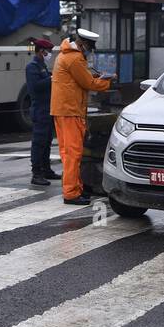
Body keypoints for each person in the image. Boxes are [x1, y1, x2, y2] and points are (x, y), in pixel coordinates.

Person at [50, 28, 114, 205]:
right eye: (89, 47)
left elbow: (79, 78)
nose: (90, 51)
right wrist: (108, 80)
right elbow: (88, 83)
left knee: (67, 153)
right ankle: (71, 193)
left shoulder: (65, 55)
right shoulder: (74, 58)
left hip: (62, 110)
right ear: (82, 44)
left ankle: (75, 188)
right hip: (70, 111)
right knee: (73, 154)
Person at [26, 37, 59, 186]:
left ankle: (47, 170)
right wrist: (52, 78)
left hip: (48, 108)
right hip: (40, 109)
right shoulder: (32, 67)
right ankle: (36, 173)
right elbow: (36, 87)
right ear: (41, 51)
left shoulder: (42, 66)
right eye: (48, 52)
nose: (50, 54)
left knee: (47, 142)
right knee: (39, 142)